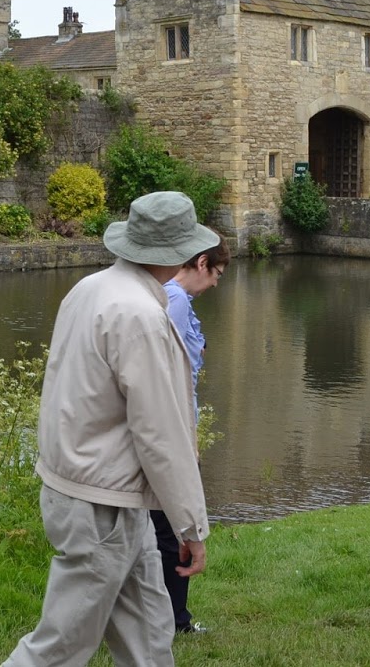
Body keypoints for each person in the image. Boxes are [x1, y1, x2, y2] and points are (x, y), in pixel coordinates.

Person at [1, 191, 213, 667]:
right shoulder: (140, 316)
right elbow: (162, 432)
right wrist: (190, 525)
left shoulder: (92, 288)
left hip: (97, 493)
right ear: (181, 253)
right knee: (60, 646)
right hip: (101, 505)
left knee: (149, 633)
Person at [150, 236, 228, 636]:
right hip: (175, 431)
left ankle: (162, 617)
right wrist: (189, 439)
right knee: (175, 529)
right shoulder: (176, 302)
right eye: (216, 274)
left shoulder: (166, 296)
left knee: (160, 528)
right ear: (201, 263)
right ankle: (175, 621)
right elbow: (174, 379)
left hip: (172, 428)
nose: (216, 284)